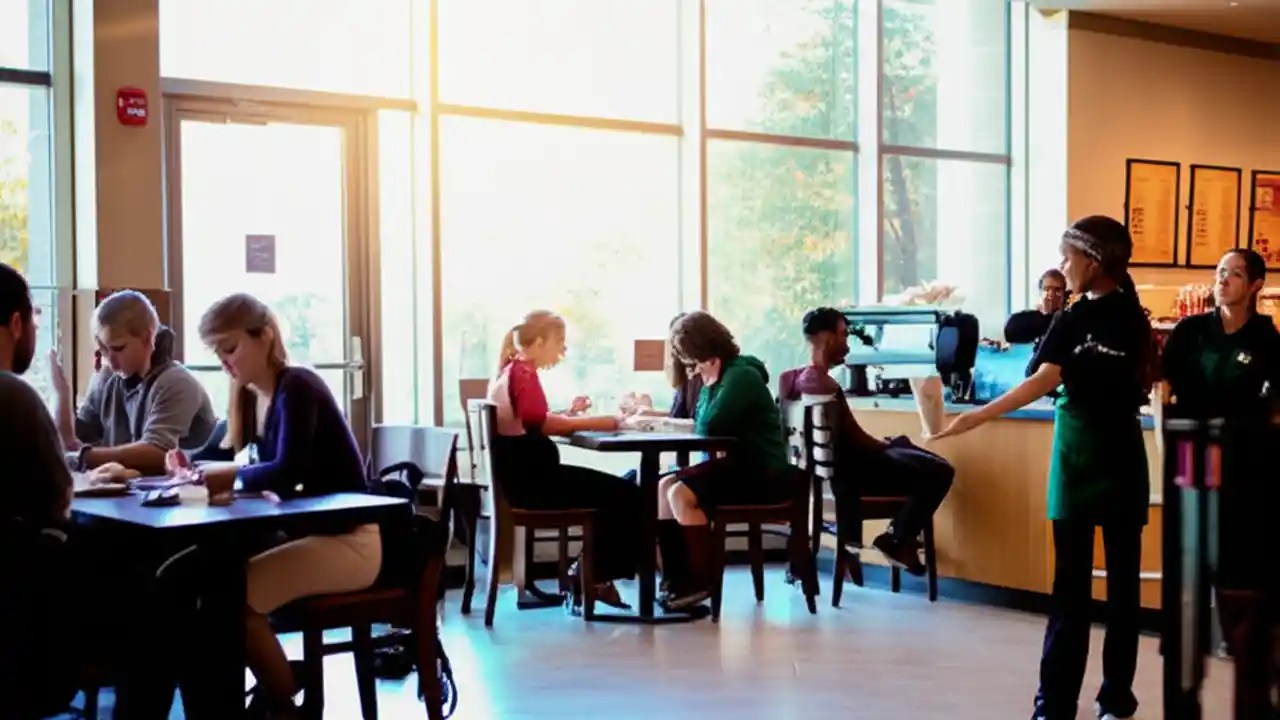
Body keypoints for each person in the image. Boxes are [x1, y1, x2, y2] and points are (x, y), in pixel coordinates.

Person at [932, 216, 1151, 720]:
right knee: (1069, 590)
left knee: (1123, 591)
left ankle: (1117, 698)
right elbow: (1042, 377)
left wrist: (977, 417)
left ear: (1094, 262)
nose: (1062, 266)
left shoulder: (1131, 319)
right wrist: (974, 418)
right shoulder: (1070, 318)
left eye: (1068, 256)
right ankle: (1054, 703)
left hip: (1120, 459)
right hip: (1073, 461)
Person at [178, 292, 381, 718]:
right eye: (218, 353)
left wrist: (226, 476)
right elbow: (222, 458)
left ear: (265, 336)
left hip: (351, 541)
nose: (225, 362)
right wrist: (190, 468)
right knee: (204, 581)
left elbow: (287, 471)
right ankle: (278, 686)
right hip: (314, 535)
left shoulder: (297, 387)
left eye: (230, 348)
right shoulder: (253, 396)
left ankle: (284, 698)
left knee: (229, 598)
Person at [1161, 248, 1279, 719]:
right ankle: (1184, 689)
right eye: (1219, 273)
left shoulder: (1268, 340)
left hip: (1247, 470)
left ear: (1254, 286)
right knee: (1187, 573)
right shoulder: (1191, 333)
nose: (1223, 280)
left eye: (1234, 274)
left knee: (1240, 577)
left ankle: (1246, 661)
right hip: (1190, 465)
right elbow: (1164, 389)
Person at [486, 309, 642, 611]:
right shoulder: (524, 373)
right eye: (560, 342)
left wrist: (569, 415)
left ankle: (587, 573)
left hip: (528, 478)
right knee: (629, 496)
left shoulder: (512, 370)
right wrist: (606, 422)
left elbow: (533, 419)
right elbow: (542, 425)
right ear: (541, 341)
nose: (563, 350)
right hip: (535, 484)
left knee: (623, 486)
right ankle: (595, 578)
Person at [779, 307, 954, 575]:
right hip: (858, 472)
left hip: (839, 472)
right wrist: (887, 445)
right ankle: (898, 539)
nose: (847, 345)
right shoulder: (823, 385)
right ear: (827, 338)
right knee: (940, 470)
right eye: (843, 335)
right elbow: (855, 440)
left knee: (913, 452)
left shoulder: (793, 379)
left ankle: (898, 536)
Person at [656, 311, 790, 611]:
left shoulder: (740, 376)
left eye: (691, 357)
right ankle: (675, 580)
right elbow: (701, 419)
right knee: (663, 486)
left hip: (762, 472)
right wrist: (709, 384)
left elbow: (709, 425)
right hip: (736, 467)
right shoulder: (720, 377)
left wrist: (710, 383)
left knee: (680, 493)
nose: (691, 365)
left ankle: (701, 582)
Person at [0, 263, 79, 719]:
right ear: (16, 323)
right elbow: (59, 499)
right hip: (14, 611)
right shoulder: (12, 395)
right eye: (32, 320)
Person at [50, 289, 217, 475]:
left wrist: (81, 458)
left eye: (118, 348)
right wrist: (61, 397)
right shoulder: (105, 379)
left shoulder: (177, 383)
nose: (111, 363)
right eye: (104, 350)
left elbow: (158, 454)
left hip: (185, 498)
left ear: (147, 339)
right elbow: (74, 443)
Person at [623, 312, 705, 421]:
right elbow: (678, 415)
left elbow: (687, 420)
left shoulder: (700, 373)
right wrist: (647, 412)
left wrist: (648, 413)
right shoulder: (687, 374)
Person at [1006, 269, 1069, 377]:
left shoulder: (1069, 318)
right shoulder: (1037, 318)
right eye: (1046, 289)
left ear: (1065, 293)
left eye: (1057, 289)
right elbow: (1010, 331)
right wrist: (1045, 315)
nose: (1051, 294)